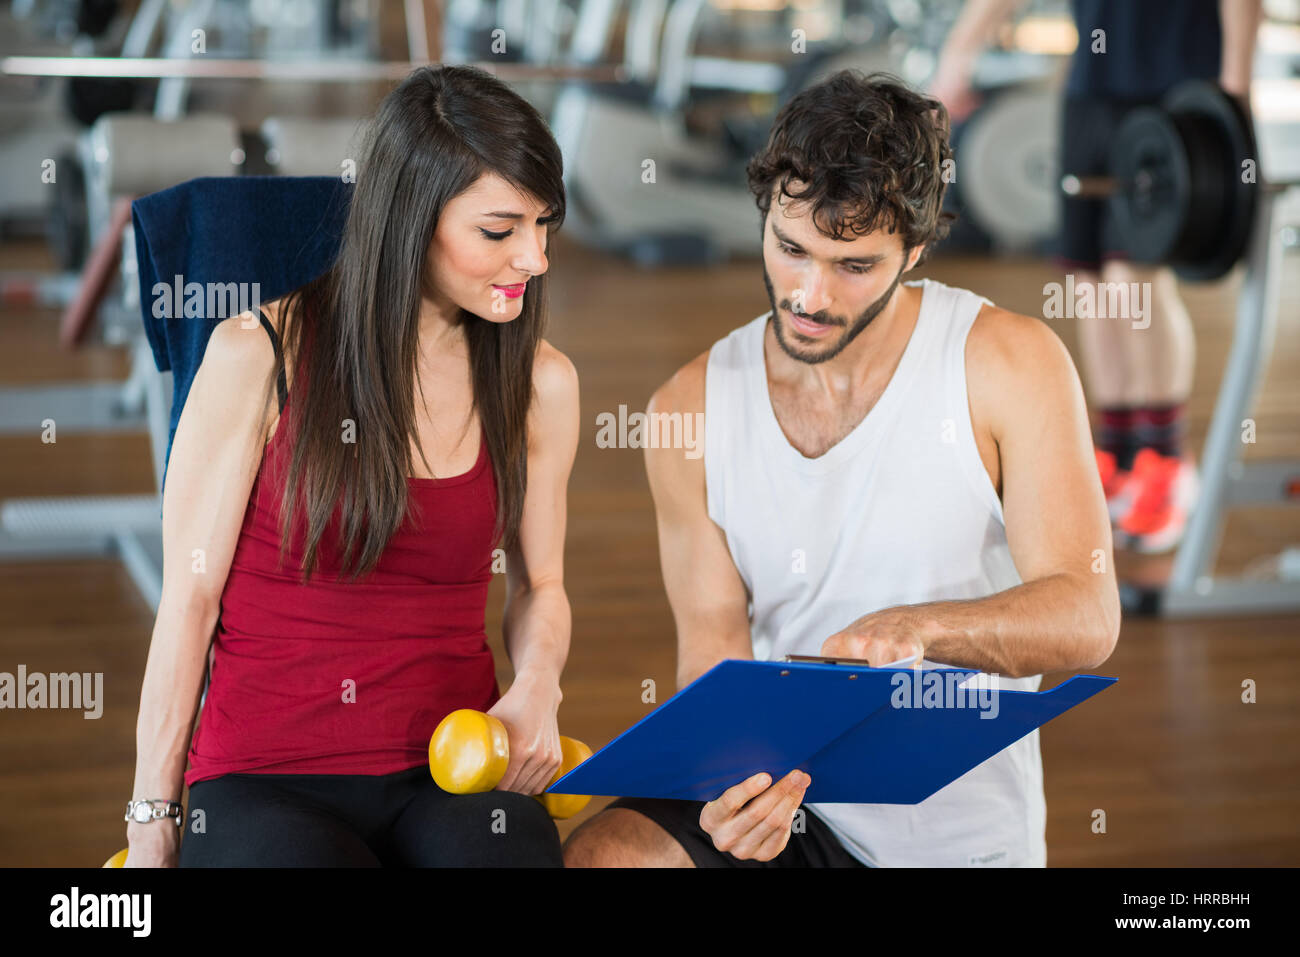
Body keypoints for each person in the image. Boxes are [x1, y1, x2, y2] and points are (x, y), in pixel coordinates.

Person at [562, 70, 1119, 868]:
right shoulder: (689, 409)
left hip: (962, 837)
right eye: (791, 249)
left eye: (853, 265)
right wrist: (732, 790)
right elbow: (712, 659)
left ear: (914, 251)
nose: (810, 294)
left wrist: (920, 629)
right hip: (797, 810)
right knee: (604, 854)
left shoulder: (1007, 362)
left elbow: (1087, 614)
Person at [124, 65, 580, 867]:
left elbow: (540, 584)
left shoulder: (540, 380)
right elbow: (189, 599)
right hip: (268, 773)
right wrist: (153, 809)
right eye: (501, 231)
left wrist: (538, 681)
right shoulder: (258, 356)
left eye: (545, 227)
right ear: (410, 219)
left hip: (454, 766)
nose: (535, 259)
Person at [928, 0, 1264, 553]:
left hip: (1176, 93)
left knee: (1132, 281)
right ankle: (1119, 457)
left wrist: (1235, 92)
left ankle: (1166, 461)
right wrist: (957, 59)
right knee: (1088, 286)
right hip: (1091, 93)